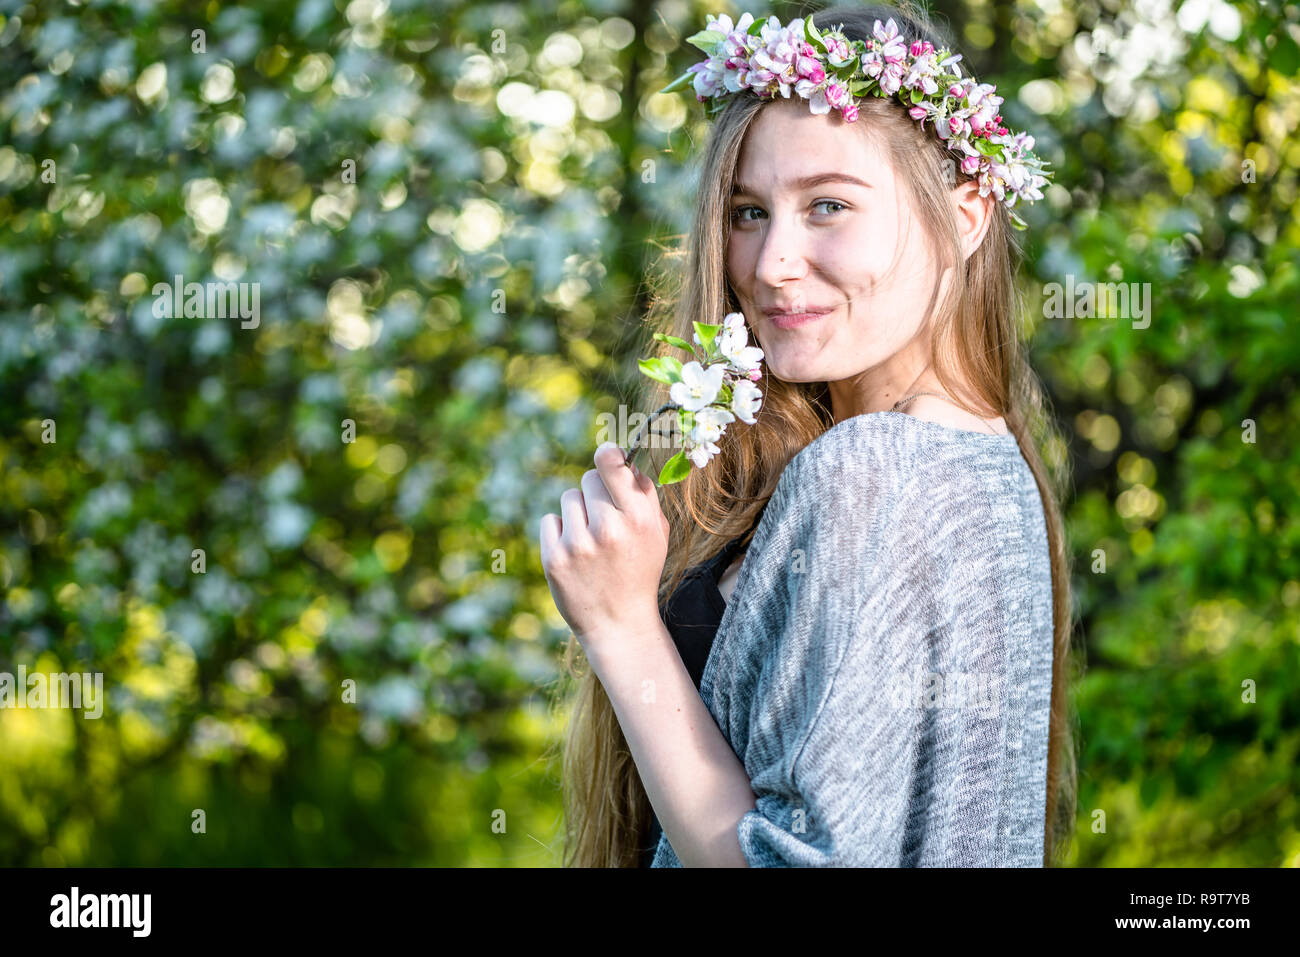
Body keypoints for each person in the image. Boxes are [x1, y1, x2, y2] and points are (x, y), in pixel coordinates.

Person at [544, 1, 1078, 867]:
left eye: (828, 204)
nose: (769, 263)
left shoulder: (876, 470)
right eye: (749, 212)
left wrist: (619, 624)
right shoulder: (990, 468)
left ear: (970, 214)